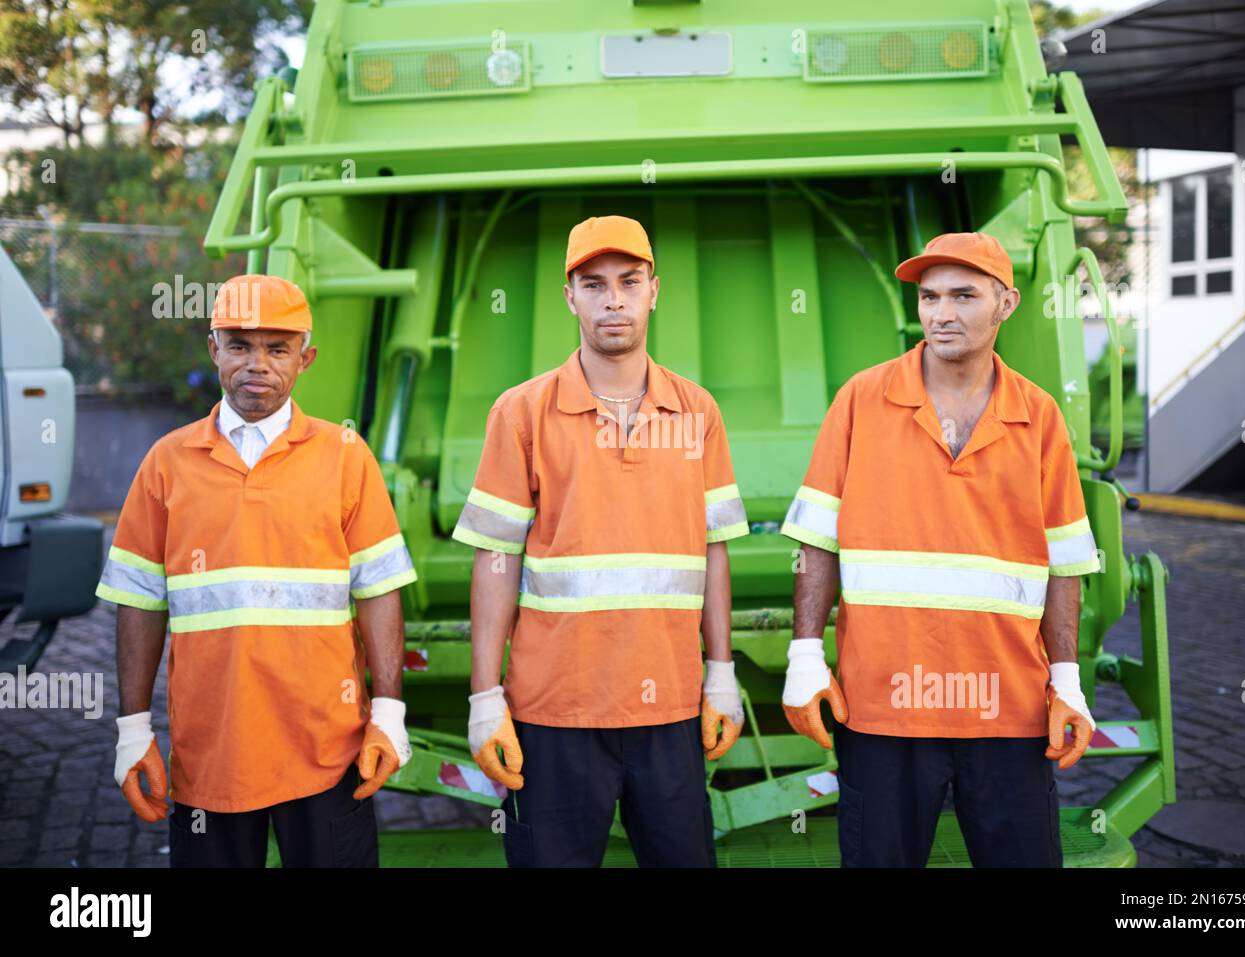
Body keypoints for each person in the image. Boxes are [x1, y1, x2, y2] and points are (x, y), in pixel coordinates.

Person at [779, 232, 1101, 867]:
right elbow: (816, 541)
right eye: (929, 297)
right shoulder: (860, 401)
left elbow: (1065, 563)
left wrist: (1066, 681)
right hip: (883, 707)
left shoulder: (1039, 417)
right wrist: (805, 656)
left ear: (1006, 304)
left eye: (963, 295)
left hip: (1007, 708)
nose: (941, 313)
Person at [452, 215, 748, 867]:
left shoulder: (697, 412)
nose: (613, 298)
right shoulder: (521, 413)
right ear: (569, 296)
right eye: (594, 283)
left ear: (654, 290)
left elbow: (715, 546)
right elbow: (494, 562)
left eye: (629, 281)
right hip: (553, 710)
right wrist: (484, 697)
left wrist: (721, 674)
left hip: (669, 706)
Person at [96, 274, 418, 867]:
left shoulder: (346, 458)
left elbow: (379, 590)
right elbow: (139, 601)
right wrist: (134, 729)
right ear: (213, 349)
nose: (257, 364)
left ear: (306, 359)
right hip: (211, 758)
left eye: (277, 348)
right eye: (240, 345)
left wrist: (390, 713)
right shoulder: (167, 464)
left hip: (328, 754)